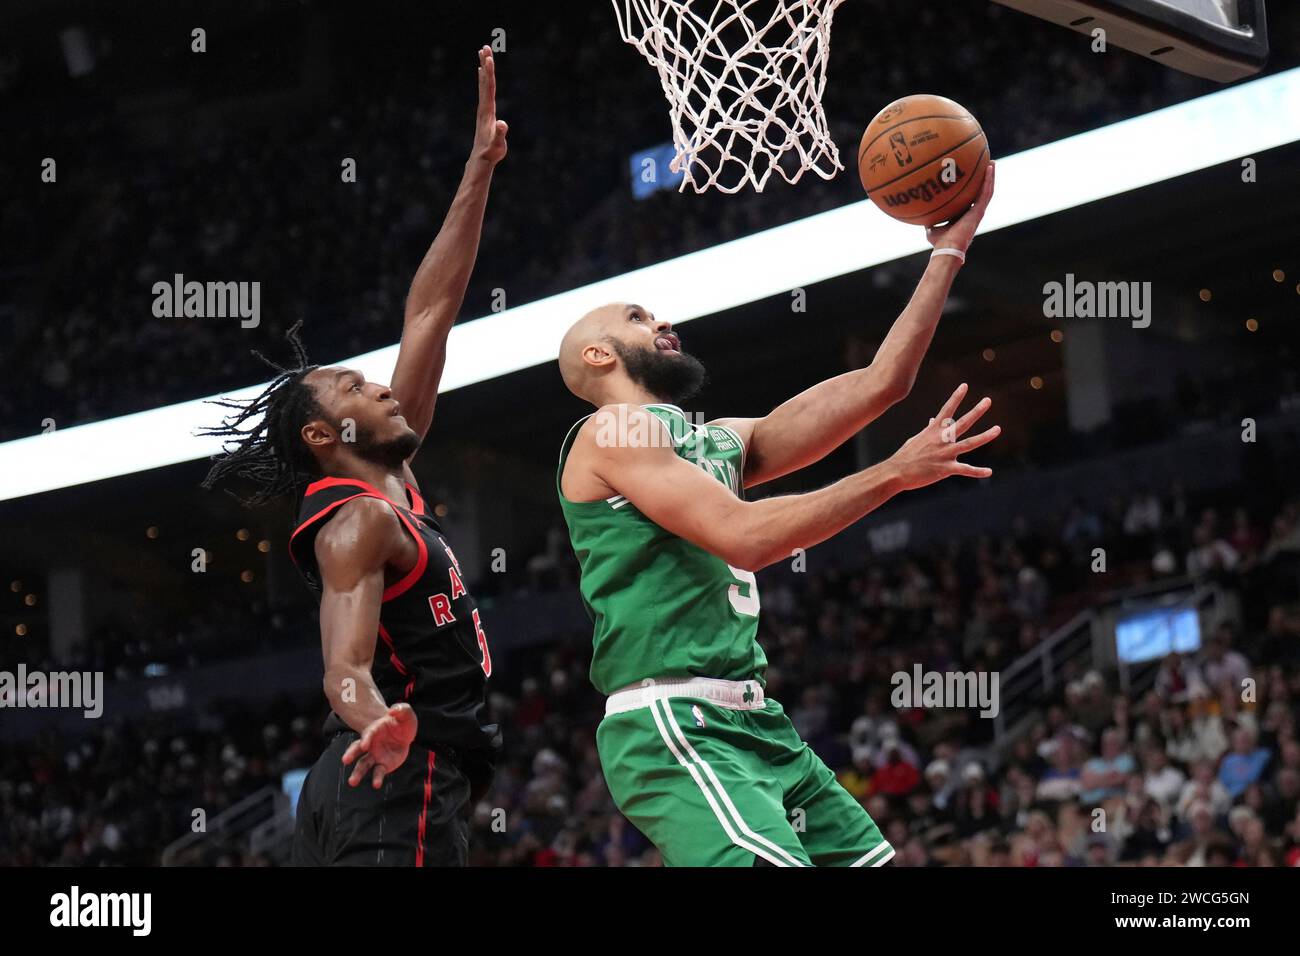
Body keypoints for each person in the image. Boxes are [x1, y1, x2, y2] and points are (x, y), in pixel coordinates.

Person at [553, 166, 999, 866]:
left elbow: (883, 384)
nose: (664, 321)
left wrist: (948, 251)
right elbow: (746, 537)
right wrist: (892, 474)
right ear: (598, 354)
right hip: (674, 720)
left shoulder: (718, 437)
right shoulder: (611, 434)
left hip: (757, 719)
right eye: (638, 316)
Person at [200, 47, 508, 866]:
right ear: (321, 436)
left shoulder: (396, 483)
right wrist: (376, 719)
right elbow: (342, 664)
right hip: (394, 778)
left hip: (385, 783)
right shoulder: (358, 524)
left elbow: (431, 313)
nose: (378, 386)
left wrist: (478, 167)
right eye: (352, 386)